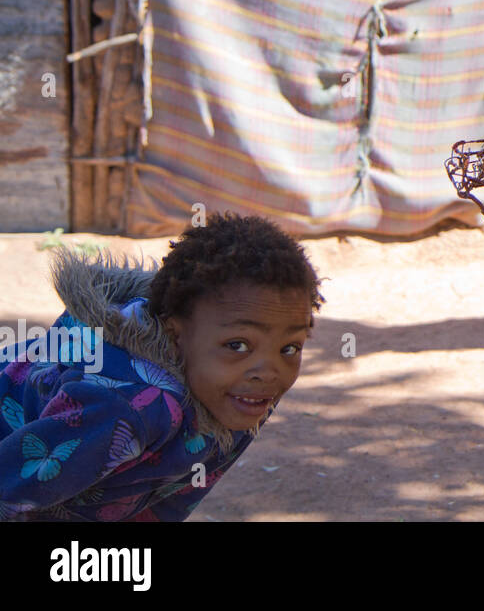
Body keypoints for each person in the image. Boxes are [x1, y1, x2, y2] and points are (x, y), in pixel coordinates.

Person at [0, 213, 322, 520]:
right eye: (237, 345)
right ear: (174, 333)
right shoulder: (125, 407)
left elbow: (166, 501)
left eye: (289, 348)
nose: (269, 372)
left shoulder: (245, 396)